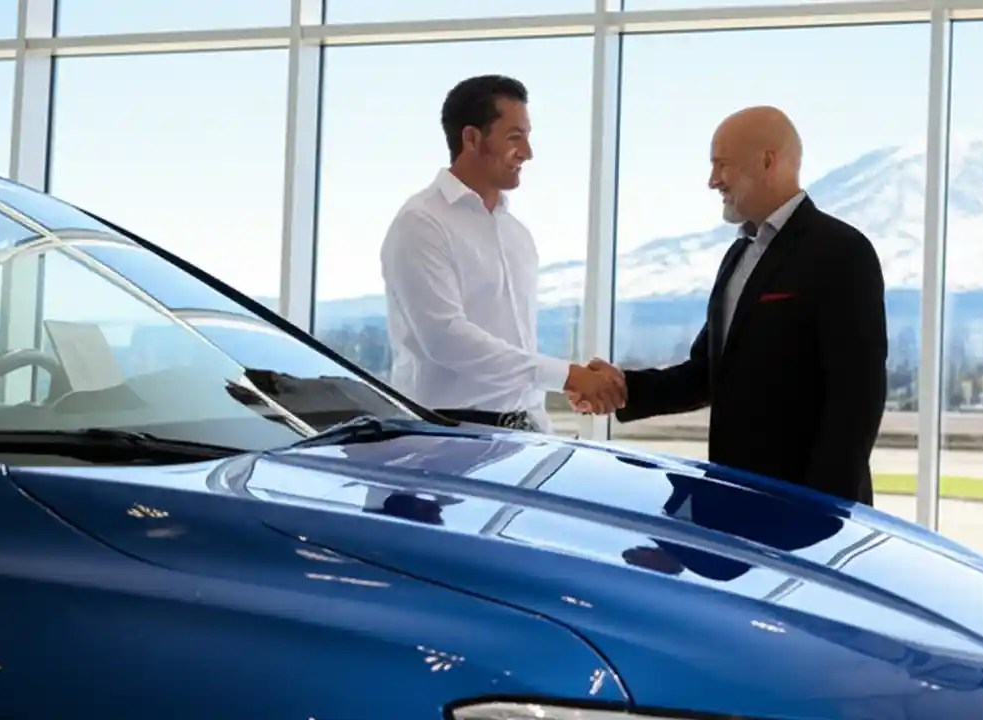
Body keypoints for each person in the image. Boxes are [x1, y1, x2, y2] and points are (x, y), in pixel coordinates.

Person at [581, 106, 887, 505]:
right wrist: (624, 389)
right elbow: (709, 374)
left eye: (720, 165)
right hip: (737, 500)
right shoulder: (738, 256)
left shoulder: (843, 252)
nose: (712, 181)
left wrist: (821, 512)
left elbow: (857, 398)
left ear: (766, 161)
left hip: (804, 510)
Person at [380, 74, 624, 433]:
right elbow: (446, 338)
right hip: (444, 435)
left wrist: (542, 424)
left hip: (523, 431)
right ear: (472, 138)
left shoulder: (516, 233)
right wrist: (567, 376)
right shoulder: (421, 223)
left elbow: (516, 345)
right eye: (515, 137)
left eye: (527, 137)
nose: (527, 152)